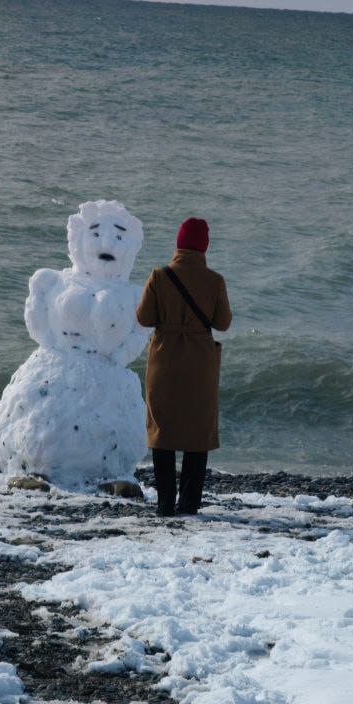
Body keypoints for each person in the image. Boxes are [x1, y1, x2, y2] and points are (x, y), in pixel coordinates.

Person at [135, 217, 232, 516]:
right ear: (204, 247)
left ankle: (165, 504)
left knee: (162, 432)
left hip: (164, 362)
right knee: (196, 434)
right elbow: (223, 323)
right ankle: (189, 504)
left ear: (178, 243)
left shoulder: (159, 276)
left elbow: (143, 318)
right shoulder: (214, 281)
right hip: (200, 364)